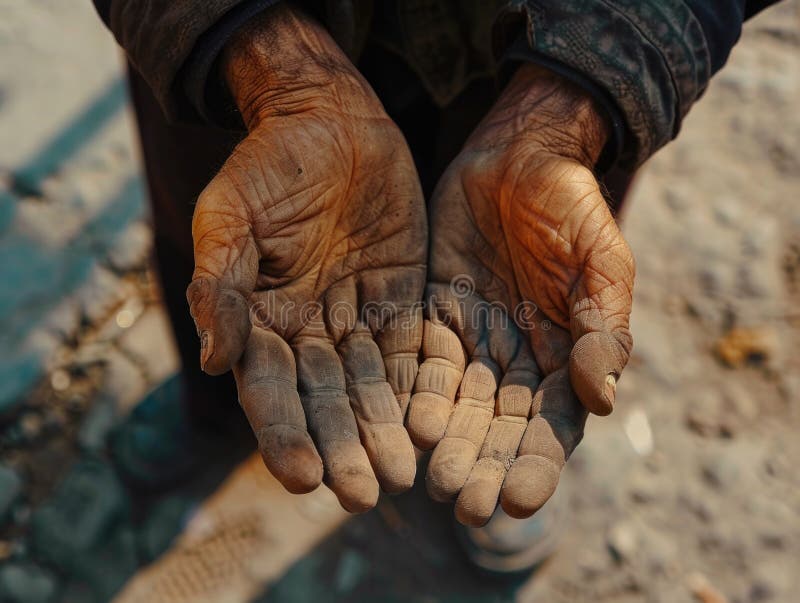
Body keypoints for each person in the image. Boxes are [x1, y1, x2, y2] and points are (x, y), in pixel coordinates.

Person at [93, 0, 780, 559]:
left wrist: (587, 84)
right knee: (237, 264)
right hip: (248, 63)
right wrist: (273, 68)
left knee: (538, 285)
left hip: (556, 51)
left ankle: (487, 465)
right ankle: (212, 412)